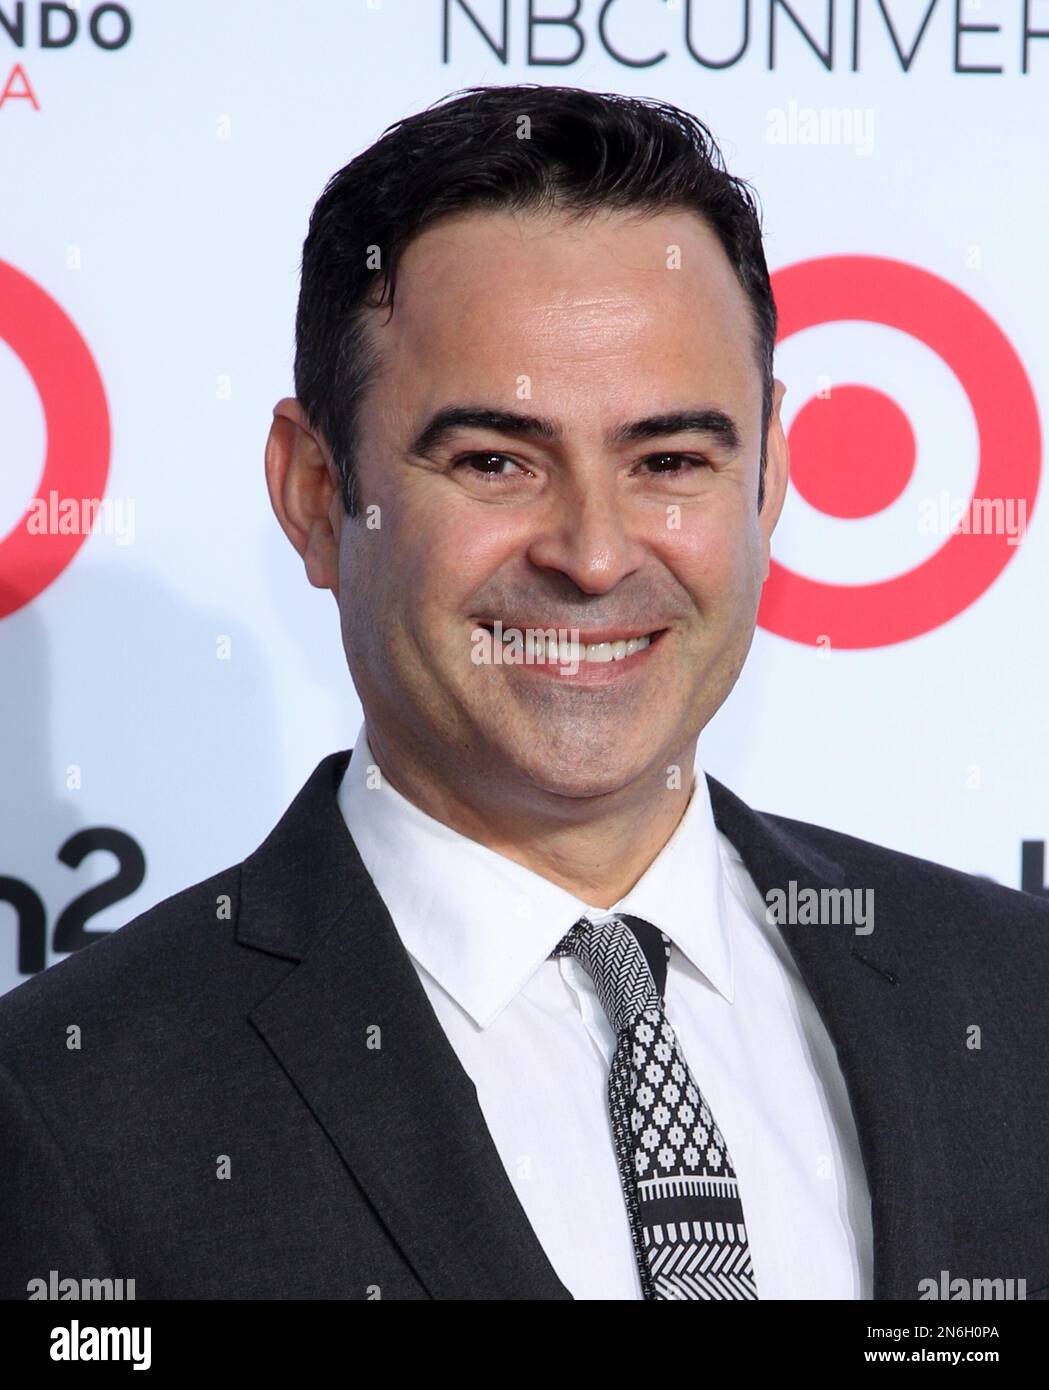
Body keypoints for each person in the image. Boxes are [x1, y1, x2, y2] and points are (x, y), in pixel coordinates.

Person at [2, 85, 1047, 1303]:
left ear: (765, 483)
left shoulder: (1011, 1000)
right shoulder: (73, 1108)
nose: (594, 554)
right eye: (495, 461)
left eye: (668, 460)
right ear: (312, 492)